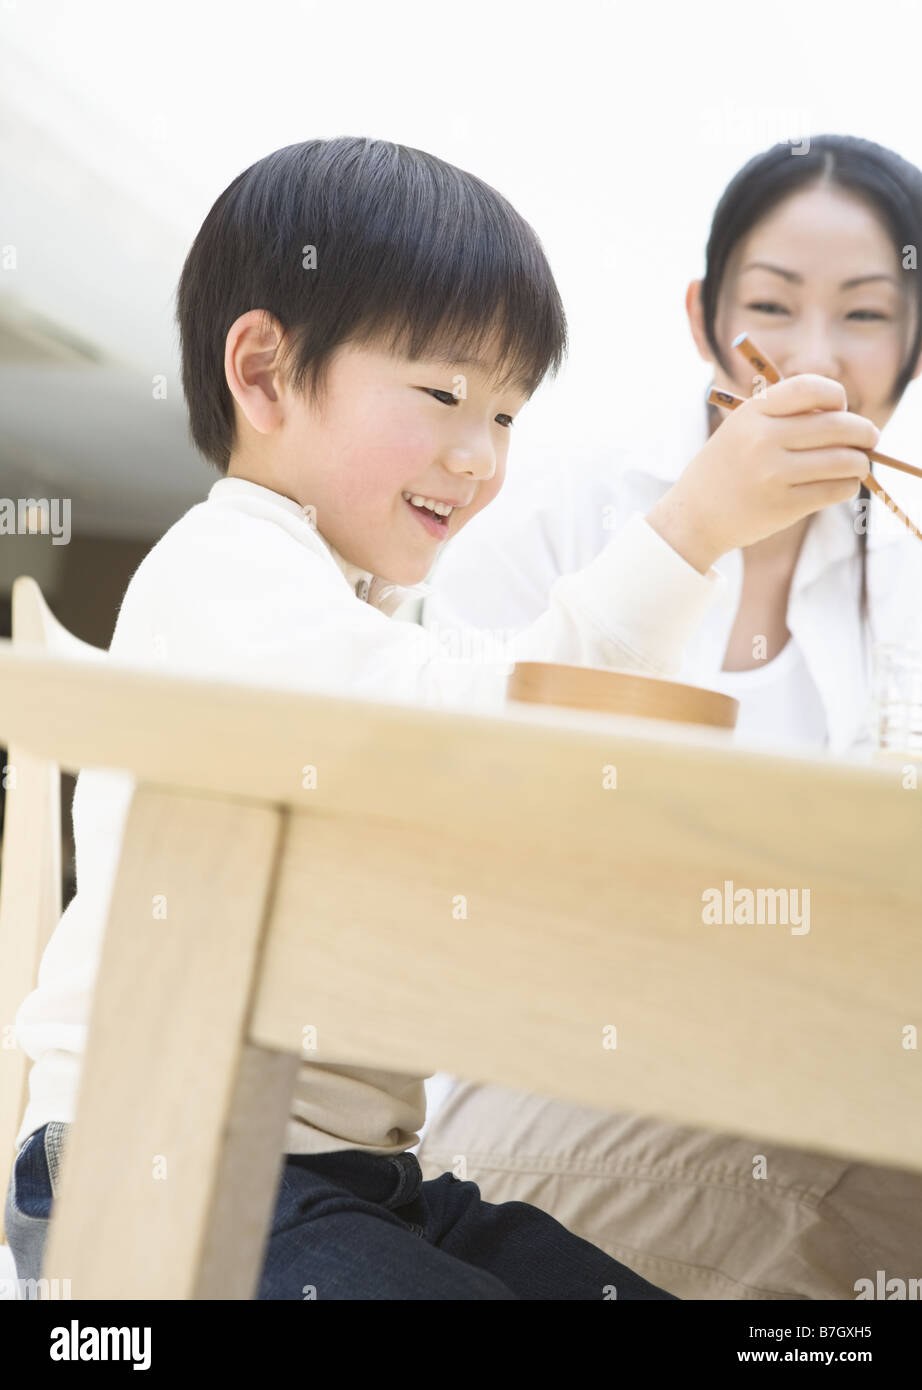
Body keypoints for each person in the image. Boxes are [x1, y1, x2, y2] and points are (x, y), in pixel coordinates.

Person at [3, 136, 877, 1300]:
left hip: (344, 1173)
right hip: (154, 1154)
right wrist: (692, 527)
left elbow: (538, 714)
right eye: (444, 395)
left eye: (509, 414)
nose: (480, 457)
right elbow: (479, 741)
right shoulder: (220, 575)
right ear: (262, 374)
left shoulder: (378, 615)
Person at [415, 133, 922, 1300]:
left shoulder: (895, 571)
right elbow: (458, 816)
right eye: (770, 309)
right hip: (527, 1084)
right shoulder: (545, 514)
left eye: (863, 316)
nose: (812, 359)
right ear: (705, 317)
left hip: (799, 1078)